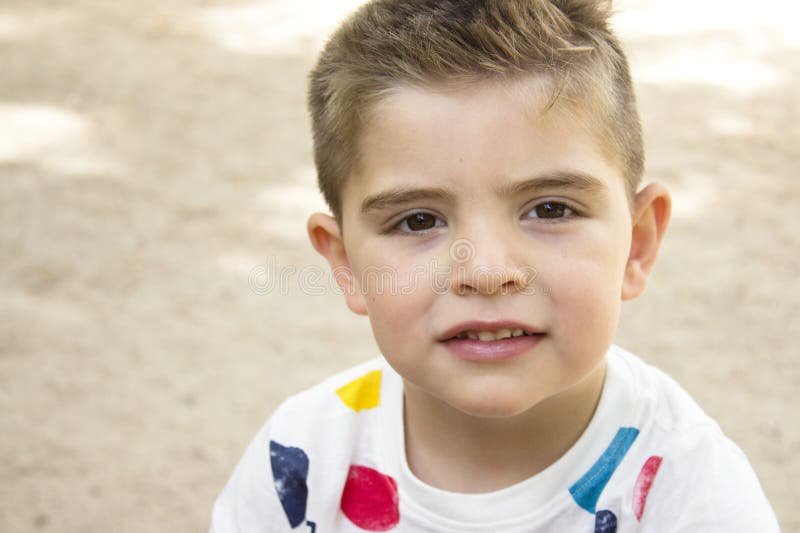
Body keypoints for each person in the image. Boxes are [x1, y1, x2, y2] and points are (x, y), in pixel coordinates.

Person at [211, 1, 779, 531]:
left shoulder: (695, 497)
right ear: (348, 265)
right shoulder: (297, 462)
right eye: (417, 220)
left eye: (550, 209)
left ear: (637, 244)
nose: (485, 271)